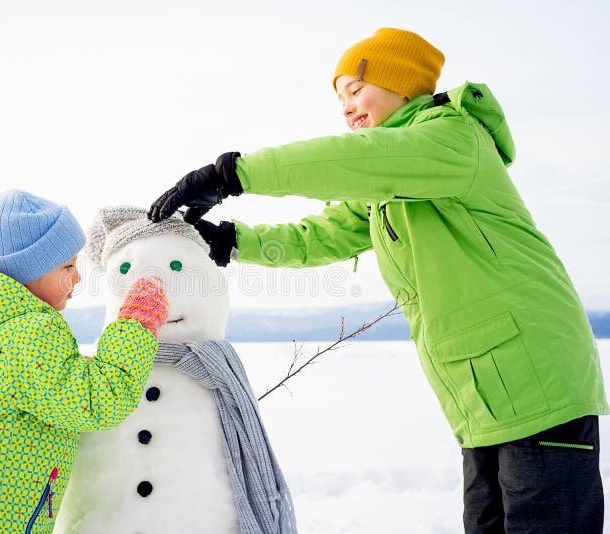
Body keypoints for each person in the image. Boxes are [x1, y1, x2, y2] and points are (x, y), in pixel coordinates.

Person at [148, 28, 607, 533]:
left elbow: (355, 159)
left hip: (534, 378)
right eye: (338, 99)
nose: (346, 107)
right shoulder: (392, 181)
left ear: (403, 85)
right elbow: (322, 233)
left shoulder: (451, 138)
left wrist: (233, 174)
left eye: (355, 90)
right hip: (483, 396)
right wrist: (235, 240)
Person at [0, 189, 169, 533]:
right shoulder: (30, 330)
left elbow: (44, 384)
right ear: (26, 275)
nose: (78, 277)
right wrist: (134, 327)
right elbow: (97, 400)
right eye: (67, 266)